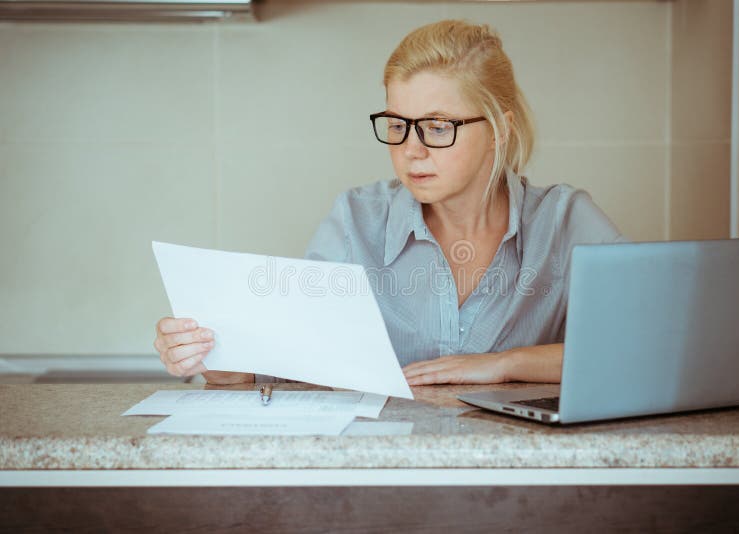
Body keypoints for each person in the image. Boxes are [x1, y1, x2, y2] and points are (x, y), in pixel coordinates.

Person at [153, 20, 624, 387]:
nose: (411, 150)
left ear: (499, 128)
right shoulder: (355, 221)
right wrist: (219, 360)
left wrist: (502, 365)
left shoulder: (566, 221)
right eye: (398, 125)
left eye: (438, 126)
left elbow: (640, 347)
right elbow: (291, 354)